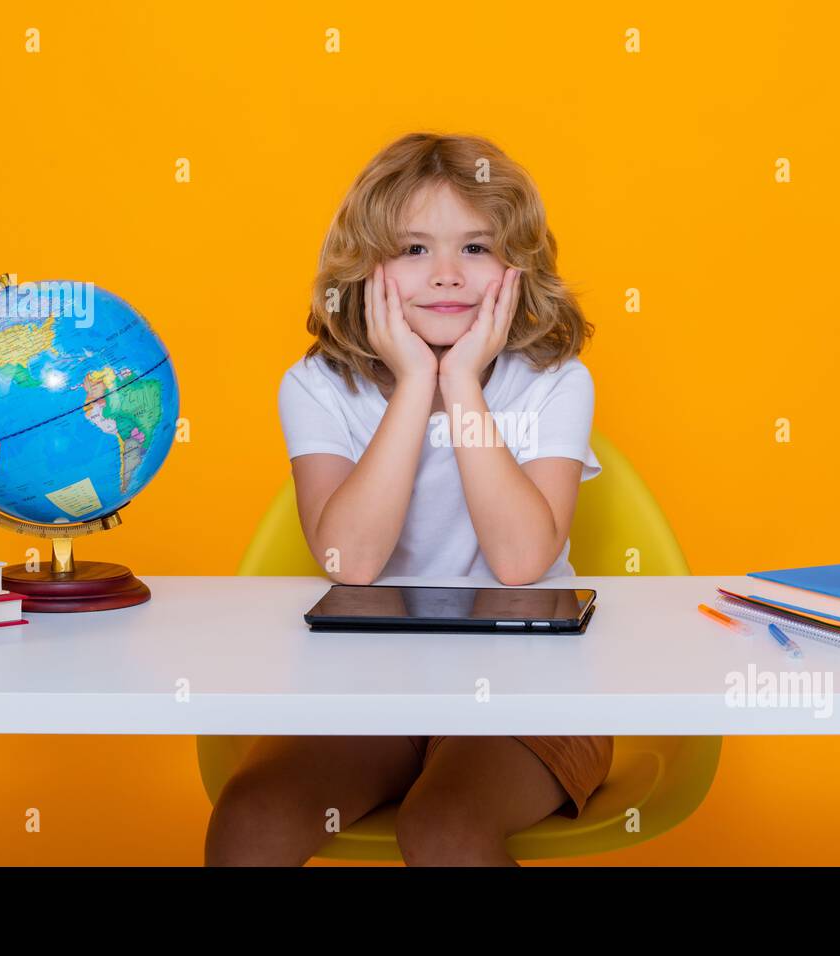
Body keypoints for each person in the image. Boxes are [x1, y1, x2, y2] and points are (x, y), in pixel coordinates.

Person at [205, 133, 611, 866]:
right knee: (251, 818)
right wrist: (415, 383)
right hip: (375, 686)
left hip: (533, 693)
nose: (448, 276)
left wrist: (460, 384)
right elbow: (348, 561)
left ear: (516, 268)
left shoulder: (556, 382)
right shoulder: (318, 387)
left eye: (477, 249)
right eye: (415, 249)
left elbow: (521, 562)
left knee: (445, 827)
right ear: (366, 268)